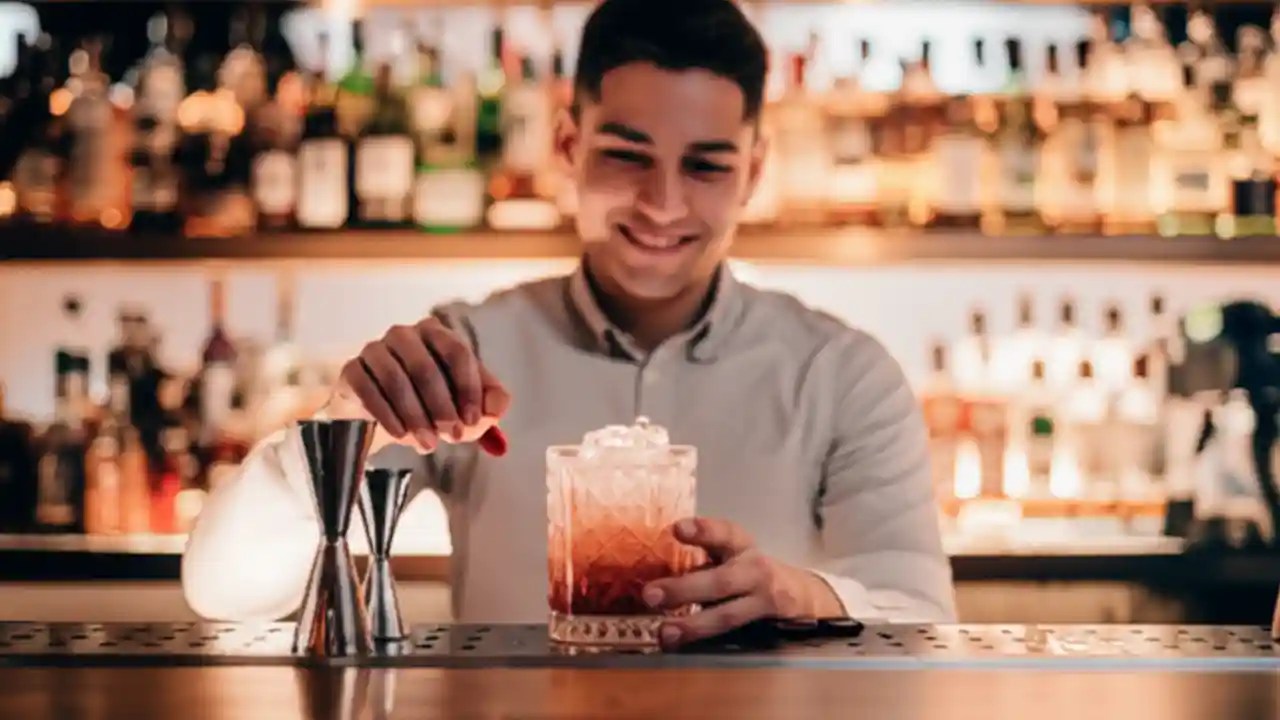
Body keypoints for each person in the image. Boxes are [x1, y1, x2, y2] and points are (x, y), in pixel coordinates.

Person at [182, 0, 956, 647]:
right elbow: (226, 592)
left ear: (754, 172)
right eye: (627, 156)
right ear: (567, 147)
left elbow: (924, 624)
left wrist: (799, 592)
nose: (663, 204)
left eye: (706, 166)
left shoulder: (842, 373)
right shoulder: (471, 349)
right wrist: (338, 432)